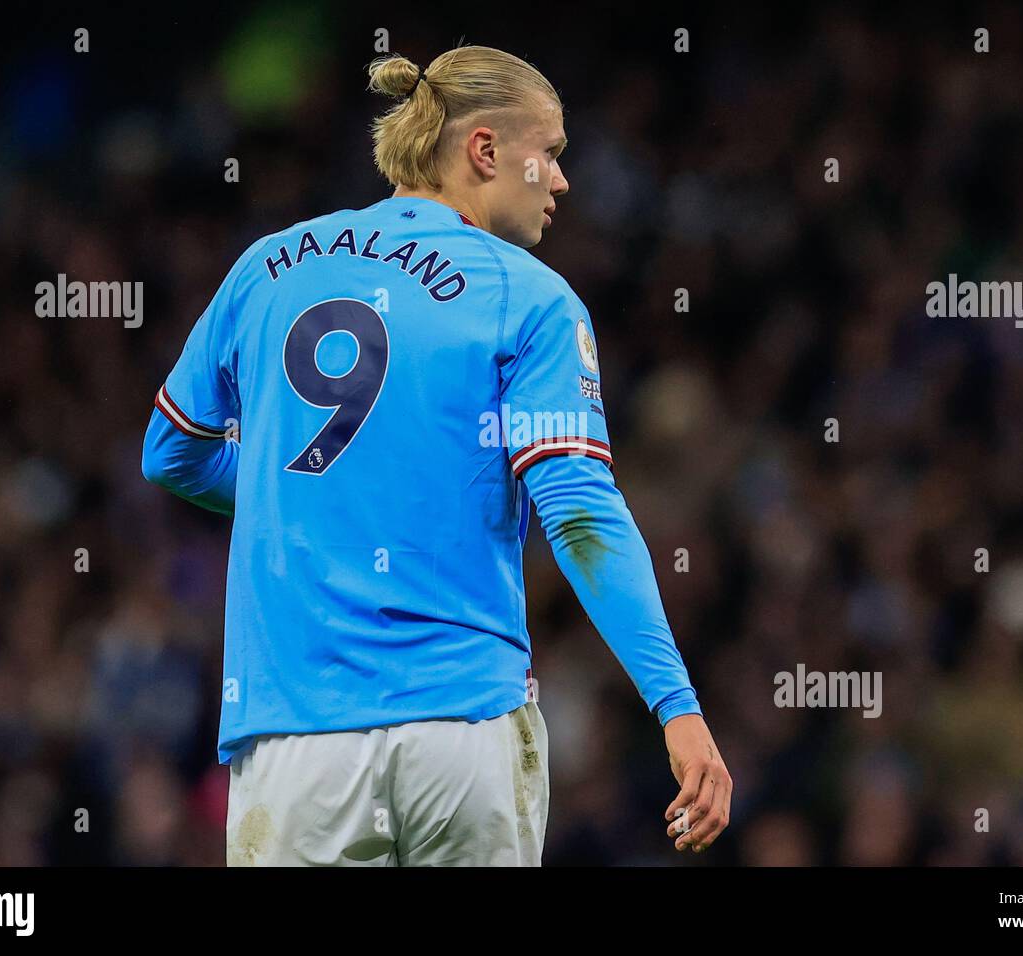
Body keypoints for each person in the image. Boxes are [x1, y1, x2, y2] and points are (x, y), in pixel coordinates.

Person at [141, 44, 731, 866]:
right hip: (465, 731)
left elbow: (172, 452)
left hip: (295, 743)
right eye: (551, 153)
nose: (562, 181)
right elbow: (579, 509)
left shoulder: (266, 269)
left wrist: (314, 491)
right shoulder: (528, 296)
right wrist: (677, 706)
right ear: (485, 150)